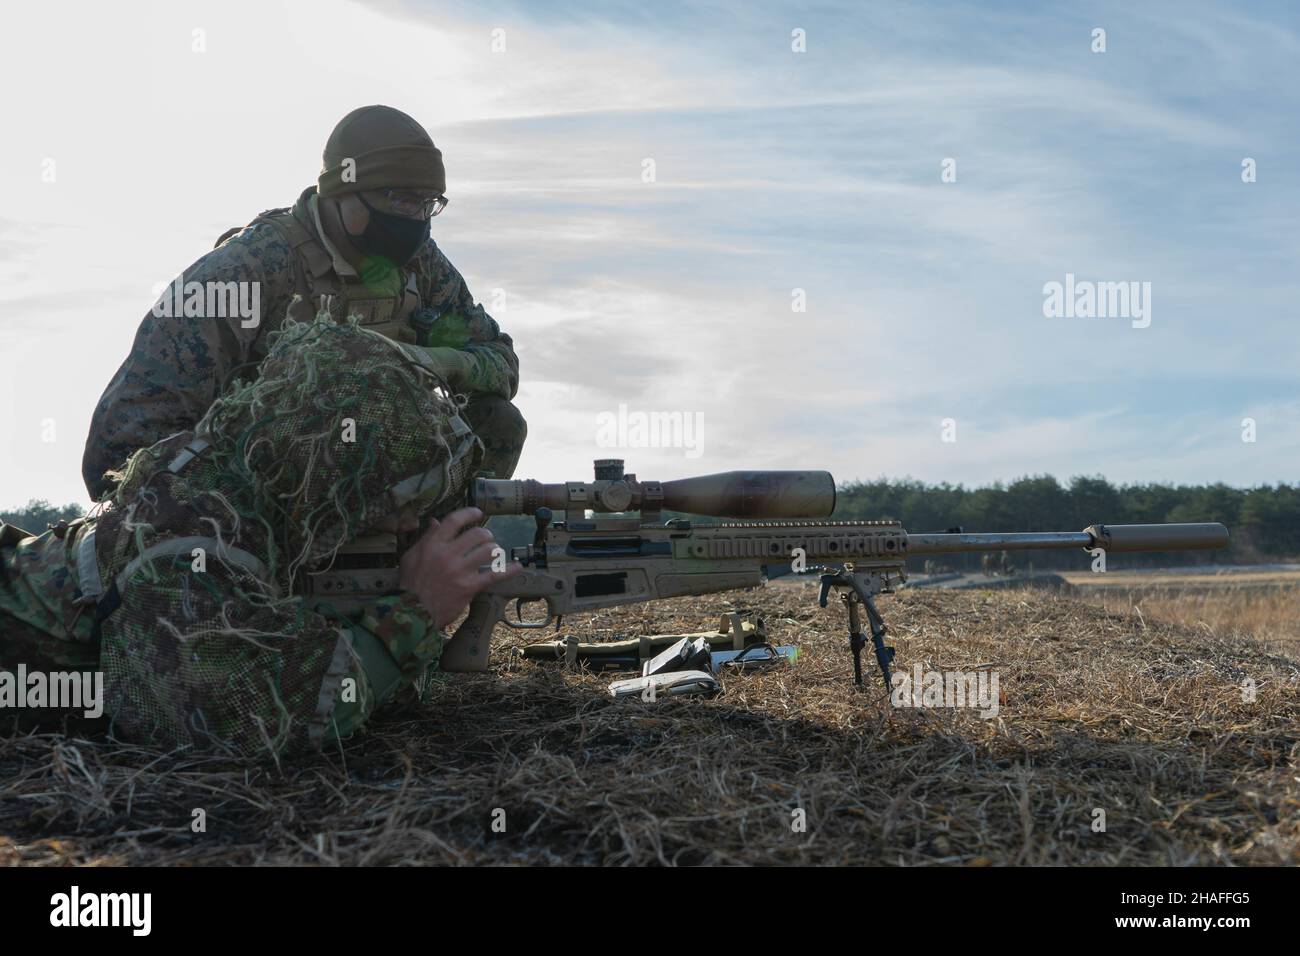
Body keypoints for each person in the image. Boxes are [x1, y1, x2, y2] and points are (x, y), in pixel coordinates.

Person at [2, 317, 521, 757]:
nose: (413, 522)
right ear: (333, 479)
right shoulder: (193, 540)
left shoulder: (256, 482)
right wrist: (417, 610)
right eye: (398, 501)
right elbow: (249, 718)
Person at [82, 104, 525, 501]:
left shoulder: (421, 266)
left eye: (428, 203)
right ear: (341, 189)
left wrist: (423, 360)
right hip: (255, 494)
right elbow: (121, 448)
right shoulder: (244, 272)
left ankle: (430, 568)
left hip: (371, 487)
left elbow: (500, 361)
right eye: (400, 199)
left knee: (496, 421)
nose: (415, 219)